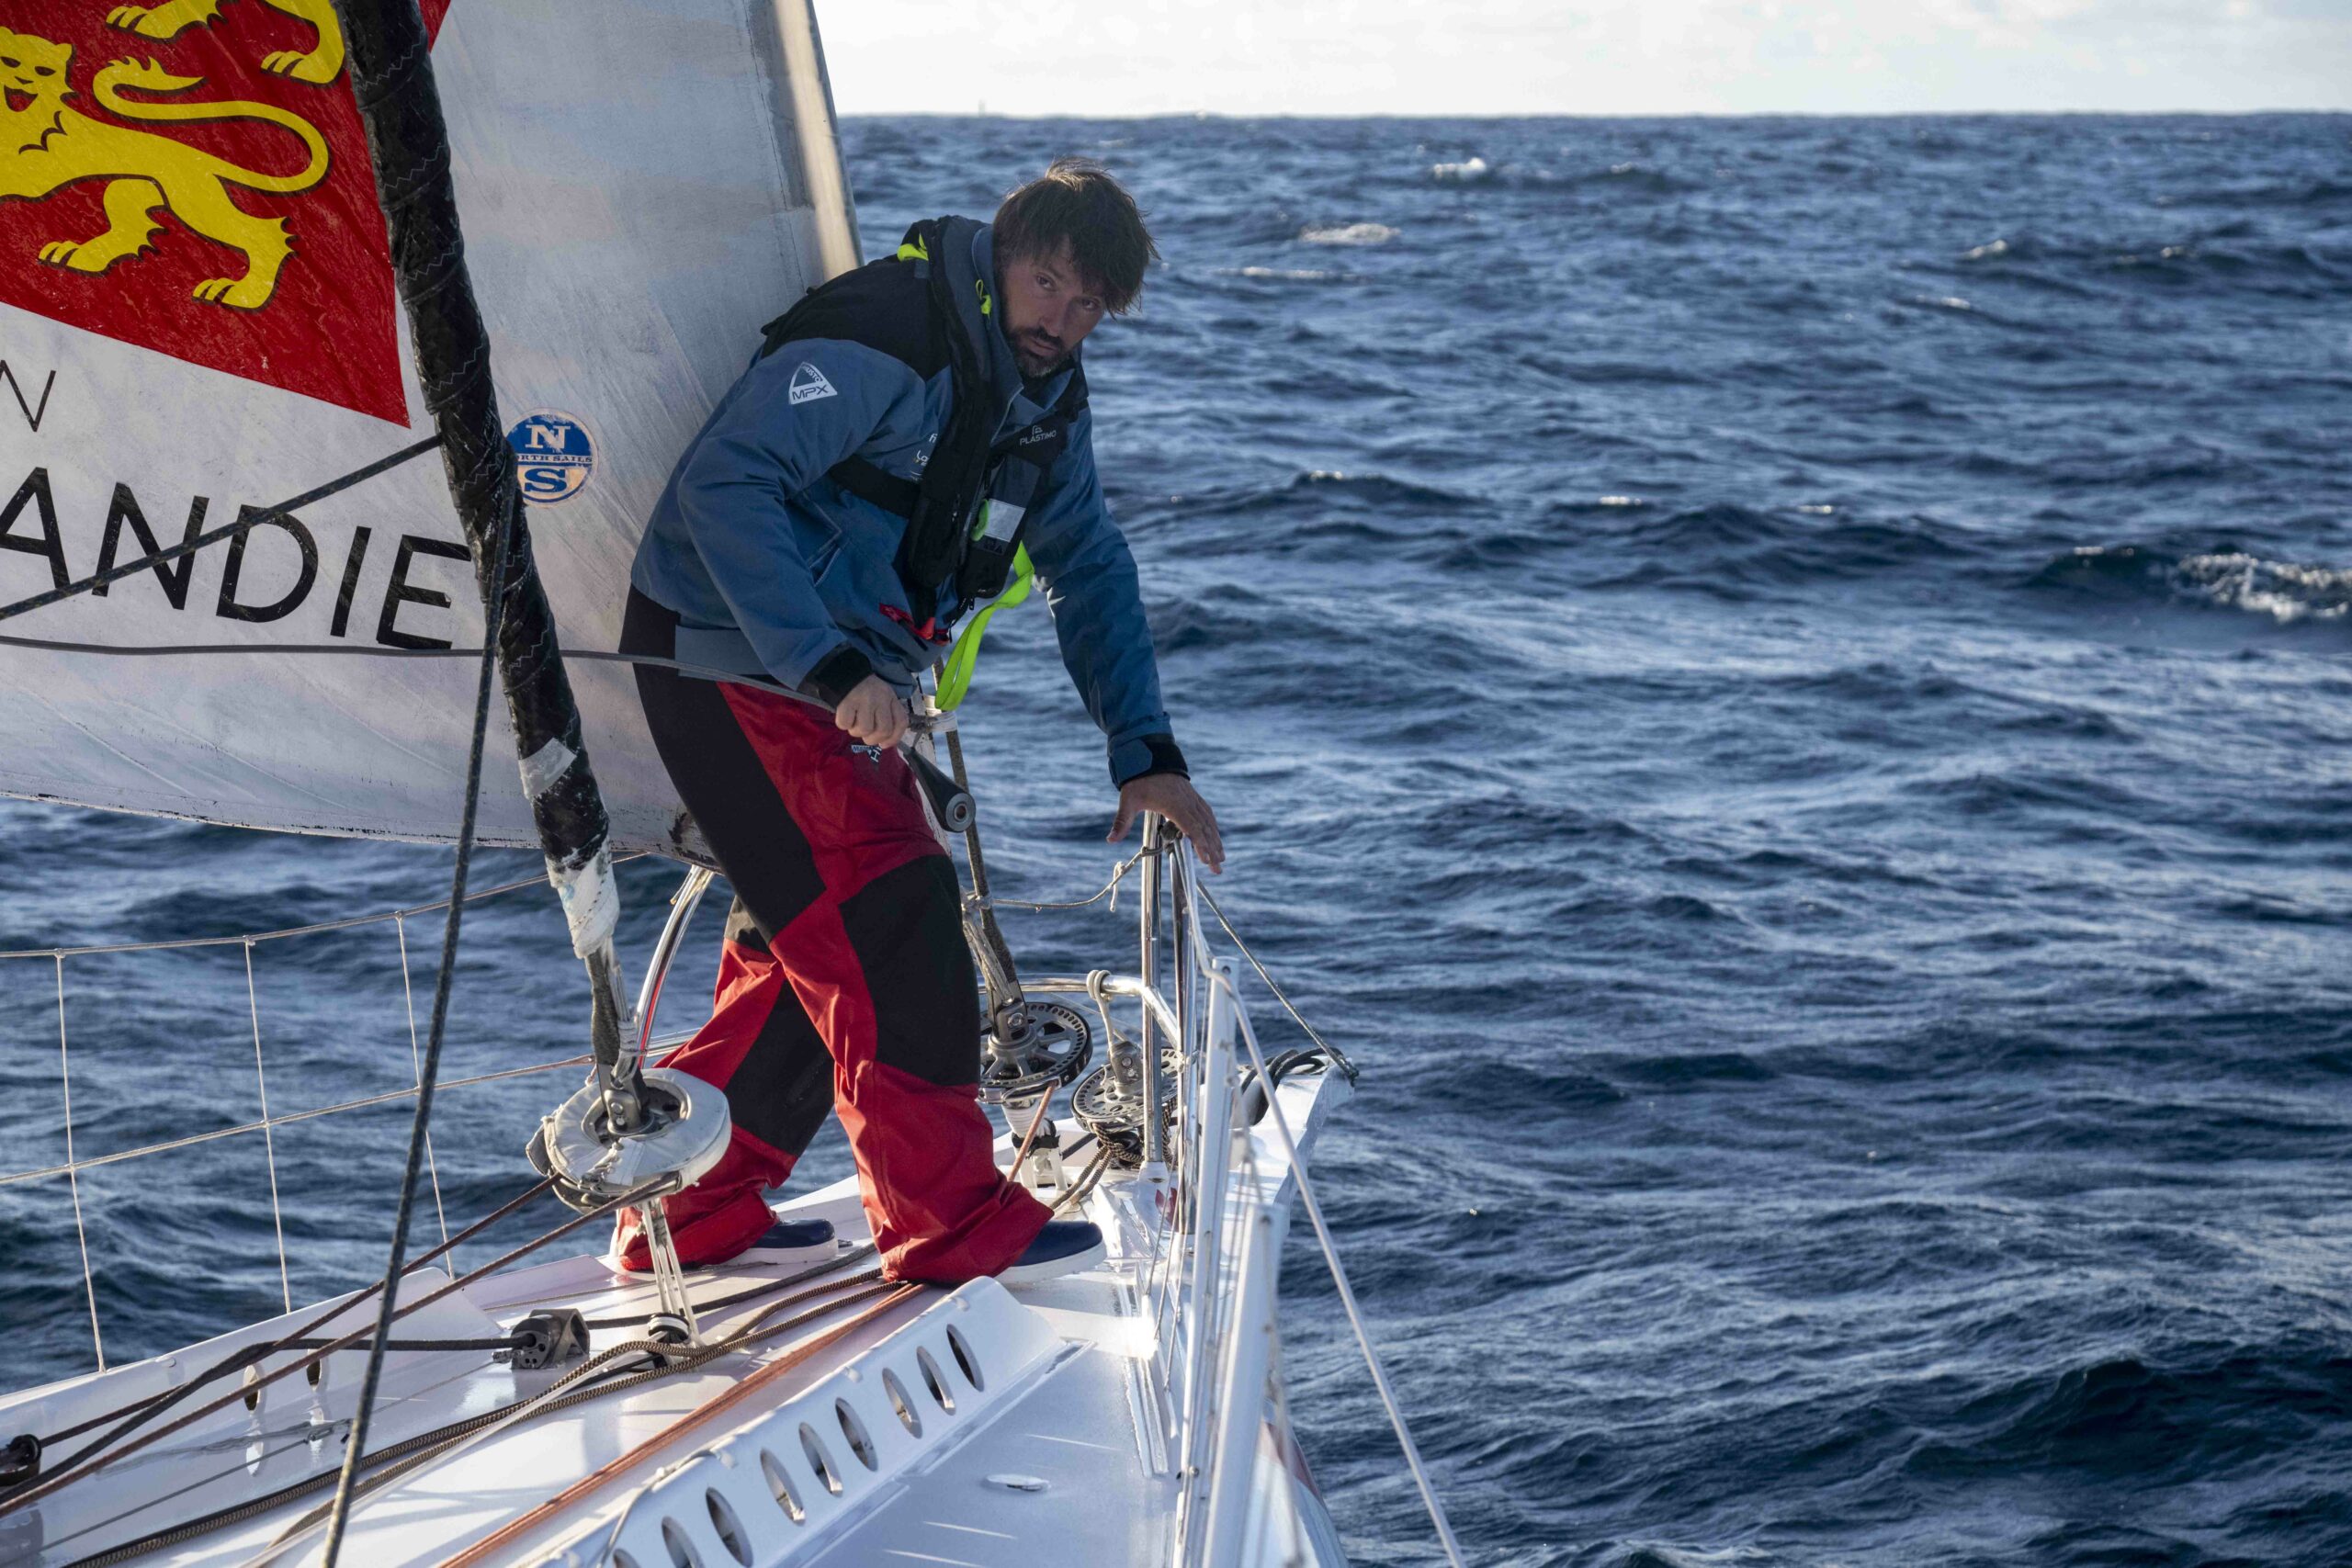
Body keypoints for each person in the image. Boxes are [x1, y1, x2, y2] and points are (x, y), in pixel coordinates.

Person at [615, 161, 1222, 1285]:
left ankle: (690, 1209)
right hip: (731, 655)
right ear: (1002, 255)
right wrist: (829, 662)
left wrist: (1145, 756)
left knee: (813, 946)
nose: (1063, 322)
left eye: (1090, 307)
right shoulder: (891, 336)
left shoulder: (1044, 400)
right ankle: (945, 1224)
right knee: (892, 909)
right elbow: (727, 485)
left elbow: (1088, 567)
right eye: (1049, 286)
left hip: (827, 679)